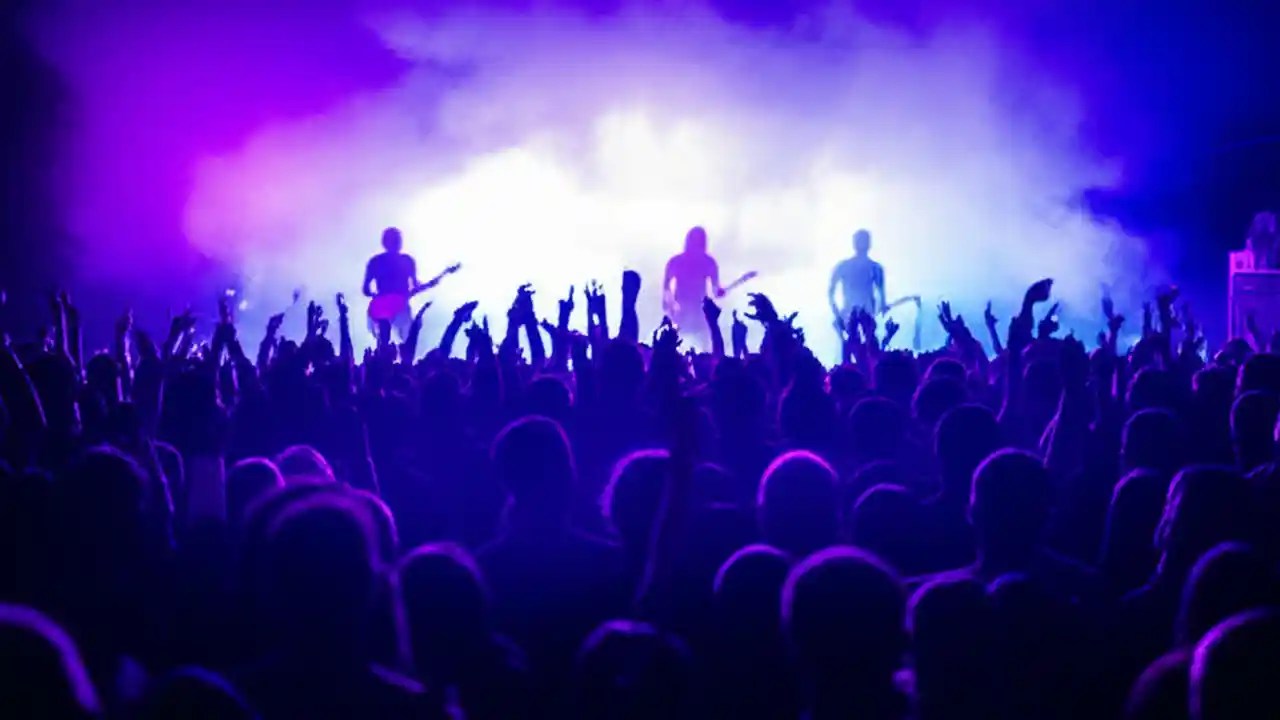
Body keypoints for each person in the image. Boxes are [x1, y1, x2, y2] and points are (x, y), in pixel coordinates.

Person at [662, 226, 723, 347]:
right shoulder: (708, 262)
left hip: (694, 310)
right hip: (689, 310)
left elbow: (666, 288)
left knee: (676, 345)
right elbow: (666, 288)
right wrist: (670, 305)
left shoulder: (677, 261)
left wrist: (669, 305)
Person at [362, 227, 420, 343]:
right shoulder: (407, 261)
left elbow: (366, 289)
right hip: (399, 304)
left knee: (385, 340)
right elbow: (415, 286)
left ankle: (382, 356)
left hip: (382, 304)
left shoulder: (375, 261)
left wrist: (375, 295)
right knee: (407, 340)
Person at [828, 229, 886, 339]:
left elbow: (882, 297)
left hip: (865, 316)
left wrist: (881, 307)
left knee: (863, 347)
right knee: (852, 345)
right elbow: (831, 293)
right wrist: (837, 314)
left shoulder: (875, 268)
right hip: (849, 315)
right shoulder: (844, 266)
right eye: (860, 241)